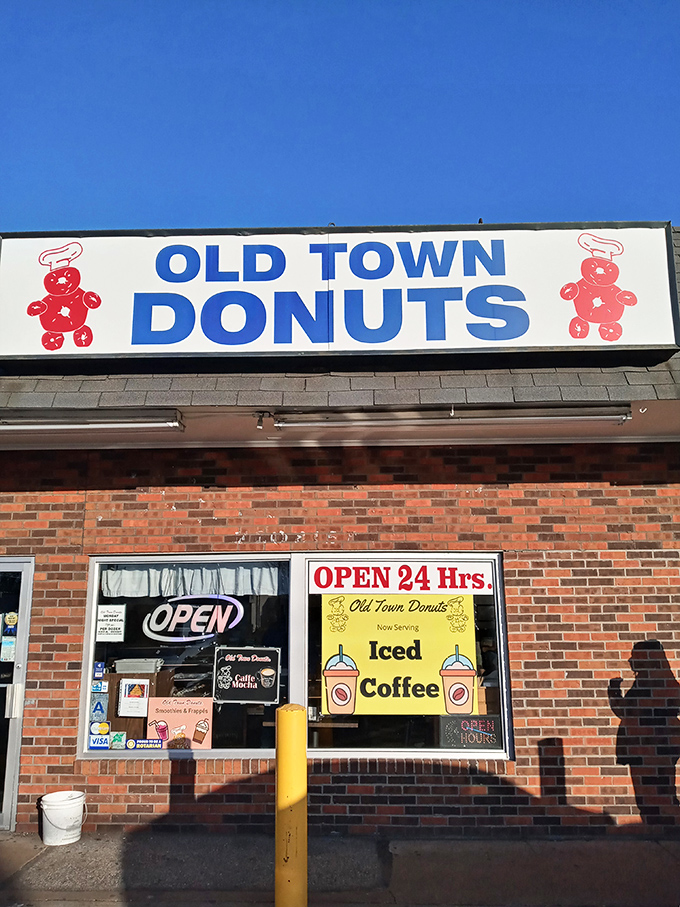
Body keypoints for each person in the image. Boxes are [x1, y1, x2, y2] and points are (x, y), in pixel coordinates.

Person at [608, 640, 680, 820]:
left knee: (658, 791)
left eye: (636, 656)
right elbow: (627, 711)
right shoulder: (645, 681)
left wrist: (616, 694)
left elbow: (629, 711)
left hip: (654, 746)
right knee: (648, 792)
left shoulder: (659, 681)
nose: (631, 660)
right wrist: (614, 692)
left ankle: (662, 821)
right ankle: (656, 819)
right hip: (641, 746)